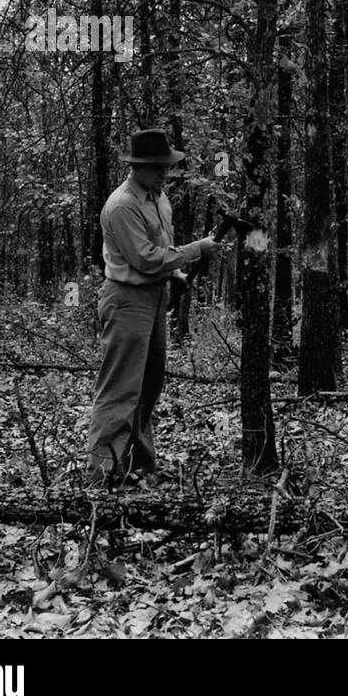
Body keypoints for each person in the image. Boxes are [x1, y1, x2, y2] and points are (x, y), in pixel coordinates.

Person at [86, 129, 220, 487]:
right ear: (137, 167)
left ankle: (137, 463)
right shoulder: (122, 205)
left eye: (166, 167)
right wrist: (196, 250)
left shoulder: (159, 199)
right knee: (120, 388)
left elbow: (160, 249)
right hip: (126, 301)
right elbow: (144, 259)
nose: (164, 174)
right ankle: (102, 473)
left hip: (153, 299)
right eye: (157, 167)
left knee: (147, 386)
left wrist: (174, 271)